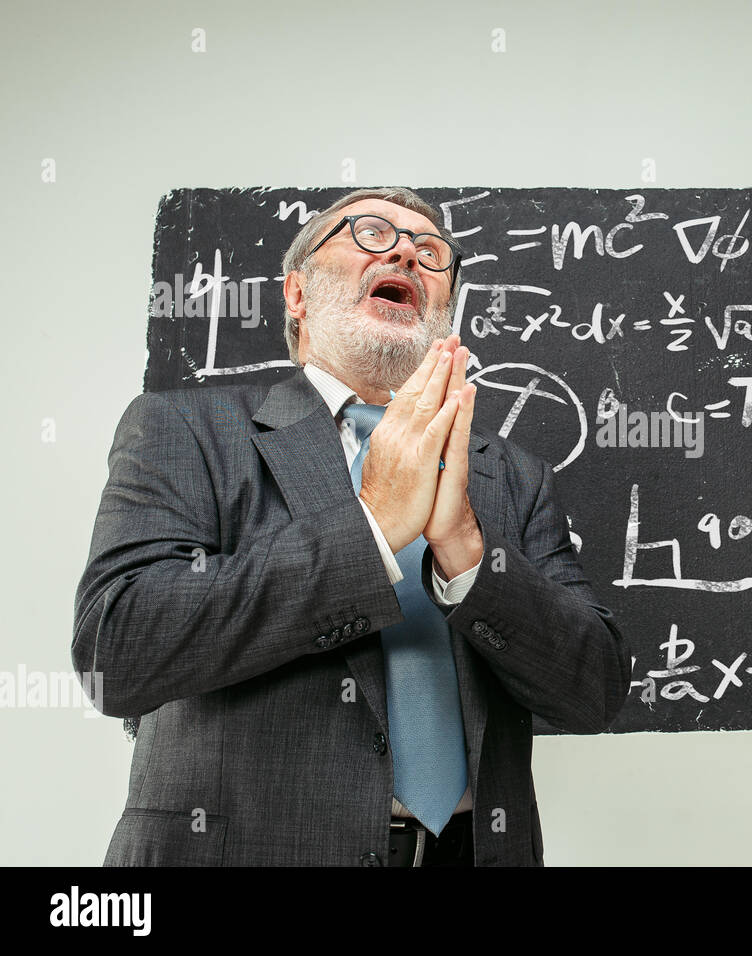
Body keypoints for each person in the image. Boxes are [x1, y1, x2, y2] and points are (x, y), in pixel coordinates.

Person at [73, 187, 631, 867]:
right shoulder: (186, 429)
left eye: (431, 252)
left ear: (445, 311)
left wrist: (466, 553)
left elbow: (594, 692)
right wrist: (369, 528)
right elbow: (117, 651)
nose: (404, 251)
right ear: (298, 293)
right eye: (368, 233)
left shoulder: (513, 475)